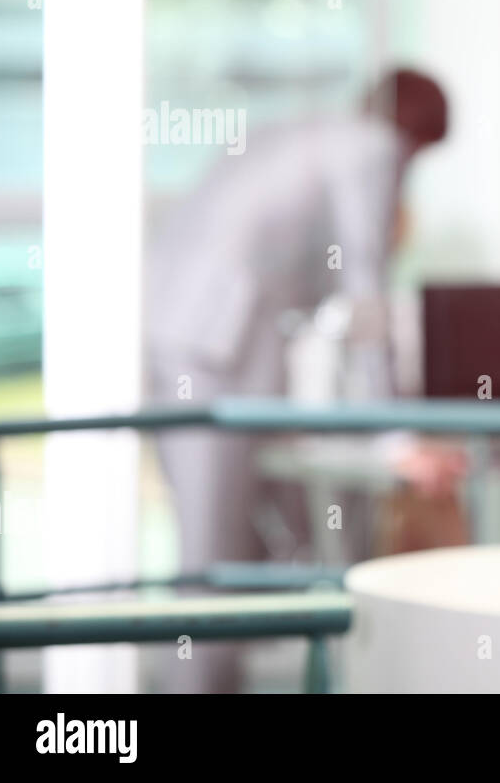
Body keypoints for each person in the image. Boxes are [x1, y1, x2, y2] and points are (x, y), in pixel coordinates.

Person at [145, 67, 466, 693]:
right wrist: (396, 439)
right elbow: (366, 300)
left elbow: (314, 279)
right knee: (211, 560)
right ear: (417, 136)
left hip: (182, 327)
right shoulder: (369, 148)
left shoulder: (312, 131)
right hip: (216, 342)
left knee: (234, 548)